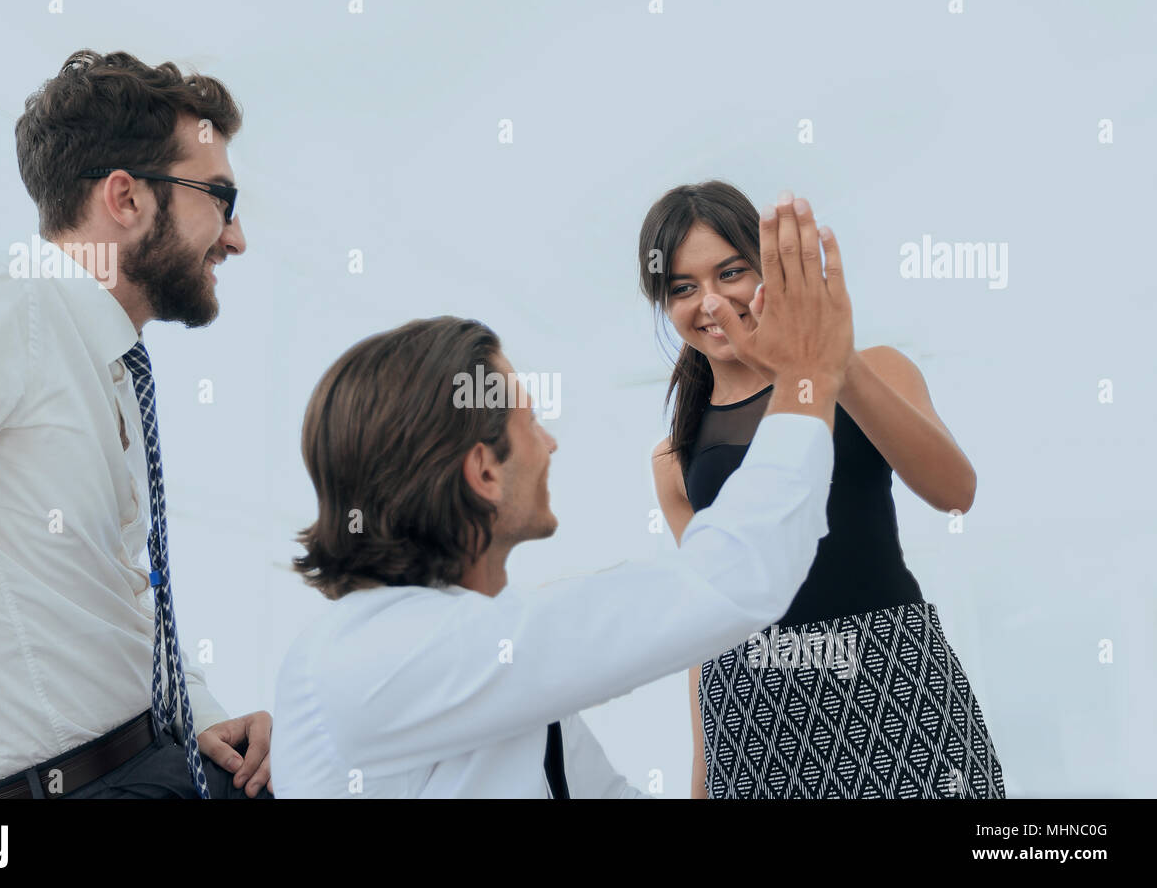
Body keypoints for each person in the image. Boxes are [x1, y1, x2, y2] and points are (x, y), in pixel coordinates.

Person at [271, 194, 853, 797]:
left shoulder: (485, 664)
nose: (549, 445)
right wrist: (807, 376)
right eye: (530, 423)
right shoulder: (383, 659)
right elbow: (731, 578)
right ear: (484, 472)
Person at [0, 50, 271, 799]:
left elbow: (117, 587)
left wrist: (201, 713)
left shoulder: (102, 356)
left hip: (155, 764)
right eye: (220, 198)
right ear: (125, 197)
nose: (236, 238)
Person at [641, 183, 1004, 798]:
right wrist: (701, 784)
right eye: (682, 287)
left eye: (730, 271)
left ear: (769, 270)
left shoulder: (877, 368)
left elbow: (955, 491)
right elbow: (709, 622)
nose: (711, 302)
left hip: (894, 684)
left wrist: (833, 363)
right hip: (756, 715)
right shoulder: (675, 457)